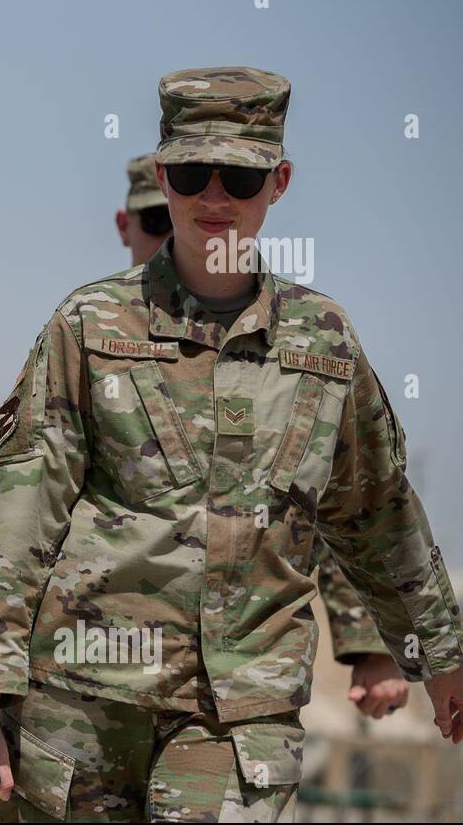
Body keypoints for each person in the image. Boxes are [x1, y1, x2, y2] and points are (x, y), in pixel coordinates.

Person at [0, 67, 463, 823]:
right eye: (191, 173)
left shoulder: (323, 342)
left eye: (241, 176)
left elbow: (377, 515)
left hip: (238, 718)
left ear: (279, 182)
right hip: (82, 705)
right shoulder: (90, 326)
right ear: (163, 175)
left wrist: (440, 657)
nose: (214, 197)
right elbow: (21, 516)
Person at [118, 153, 410, 721]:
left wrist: (372, 643)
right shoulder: (90, 332)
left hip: (245, 677)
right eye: (157, 221)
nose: (186, 226)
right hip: (106, 665)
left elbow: (334, 503)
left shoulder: (282, 338)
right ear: (125, 226)